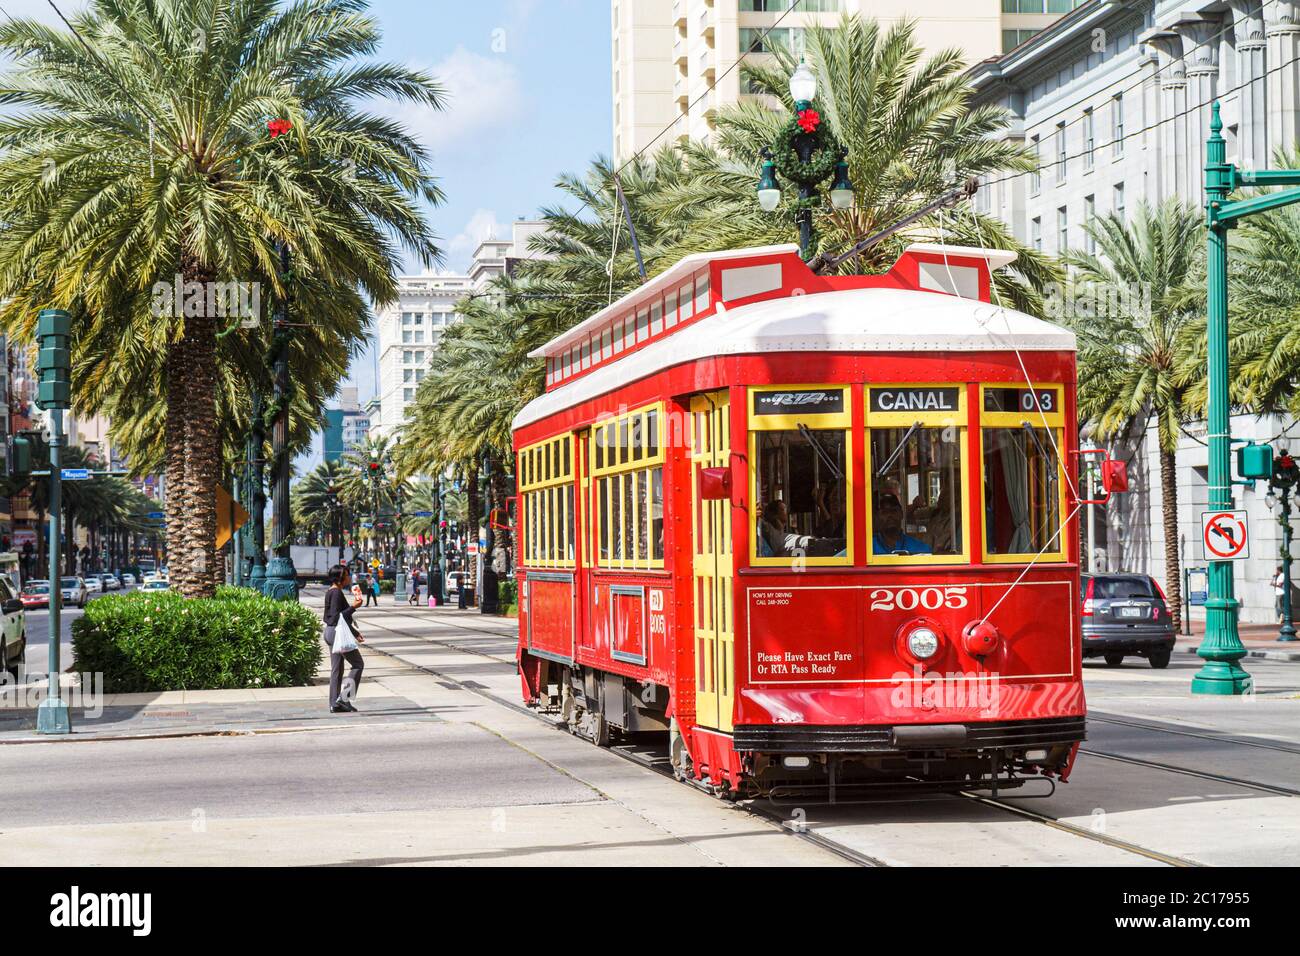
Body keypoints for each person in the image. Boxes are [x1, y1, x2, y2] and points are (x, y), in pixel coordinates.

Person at [322, 564, 365, 713]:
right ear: (340, 577)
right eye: (347, 575)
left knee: (337, 669)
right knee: (358, 664)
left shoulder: (332, 591)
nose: (349, 577)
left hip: (331, 632)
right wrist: (354, 606)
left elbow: (340, 618)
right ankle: (344, 699)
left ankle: (335, 703)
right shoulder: (336, 593)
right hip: (336, 633)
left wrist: (354, 632)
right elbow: (336, 617)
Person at [757, 499, 844, 558]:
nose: (786, 512)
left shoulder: (790, 530)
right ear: (774, 514)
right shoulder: (768, 529)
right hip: (805, 545)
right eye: (783, 510)